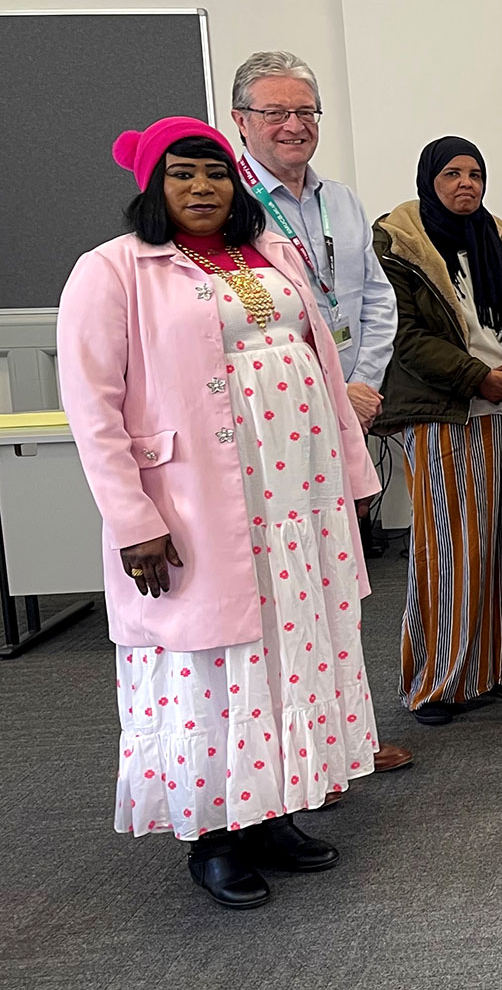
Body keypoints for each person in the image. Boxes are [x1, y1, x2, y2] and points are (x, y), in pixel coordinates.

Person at [59, 116, 382, 908]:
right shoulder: (112, 271)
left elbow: (318, 356)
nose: (202, 187)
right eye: (182, 174)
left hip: (293, 503)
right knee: (211, 665)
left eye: (214, 172)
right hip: (196, 507)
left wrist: (345, 474)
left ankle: (270, 809)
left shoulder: (268, 253)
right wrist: (135, 520)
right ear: (152, 186)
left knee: (284, 650)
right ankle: (213, 836)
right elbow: (92, 410)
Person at [225, 52, 412, 775]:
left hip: (341, 414)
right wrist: (337, 394)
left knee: (341, 580)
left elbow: (374, 299)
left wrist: (359, 386)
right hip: (273, 431)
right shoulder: (228, 206)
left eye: (306, 111)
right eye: (275, 112)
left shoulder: (342, 201)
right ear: (241, 120)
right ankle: (292, 760)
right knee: (285, 592)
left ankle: (346, 740)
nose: (294, 125)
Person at [374, 136, 502, 724]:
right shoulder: (398, 241)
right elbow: (404, 335)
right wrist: (478, 377)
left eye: (475, 173)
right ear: (429, 179)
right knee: (452, 549)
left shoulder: (496, 234)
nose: (465, 184)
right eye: (452, 173)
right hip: (447, 410)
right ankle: (442, 678)